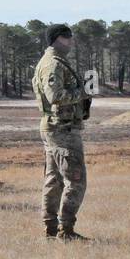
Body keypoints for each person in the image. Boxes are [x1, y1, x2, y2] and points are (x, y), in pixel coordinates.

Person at [33, 24, 92, 240]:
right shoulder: (53, 64)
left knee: (54, 179)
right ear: (59, 38)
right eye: (69, 38)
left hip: (56, 127)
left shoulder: (52, 62)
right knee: (75, 180)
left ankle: (51, 229)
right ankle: (64, 231)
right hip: (62, 128)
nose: (72, 42)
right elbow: (55, 95)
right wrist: (83, 92)